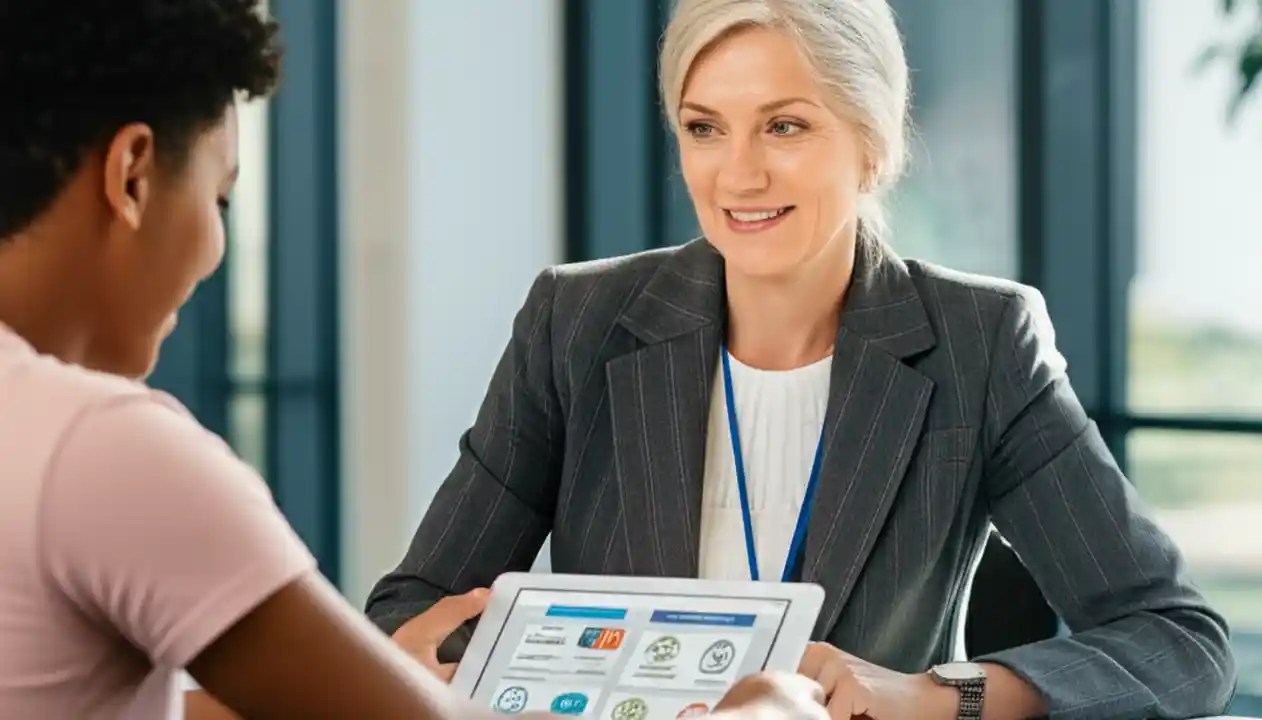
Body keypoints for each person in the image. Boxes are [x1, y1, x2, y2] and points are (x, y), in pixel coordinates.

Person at [366, 0, 1238, 718]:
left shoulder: (981, 343)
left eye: (783, 126)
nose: (737, 175)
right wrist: (470, 661)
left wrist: (932, 696)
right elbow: (413, 609)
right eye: (705, 128)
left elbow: (1176, 642)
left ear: (872, 142)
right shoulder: (579, 322)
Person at [0, 2, 829, 719]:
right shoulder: (108, 452)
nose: (216, 247)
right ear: (133, 175)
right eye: (219, 198)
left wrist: (388, 677)